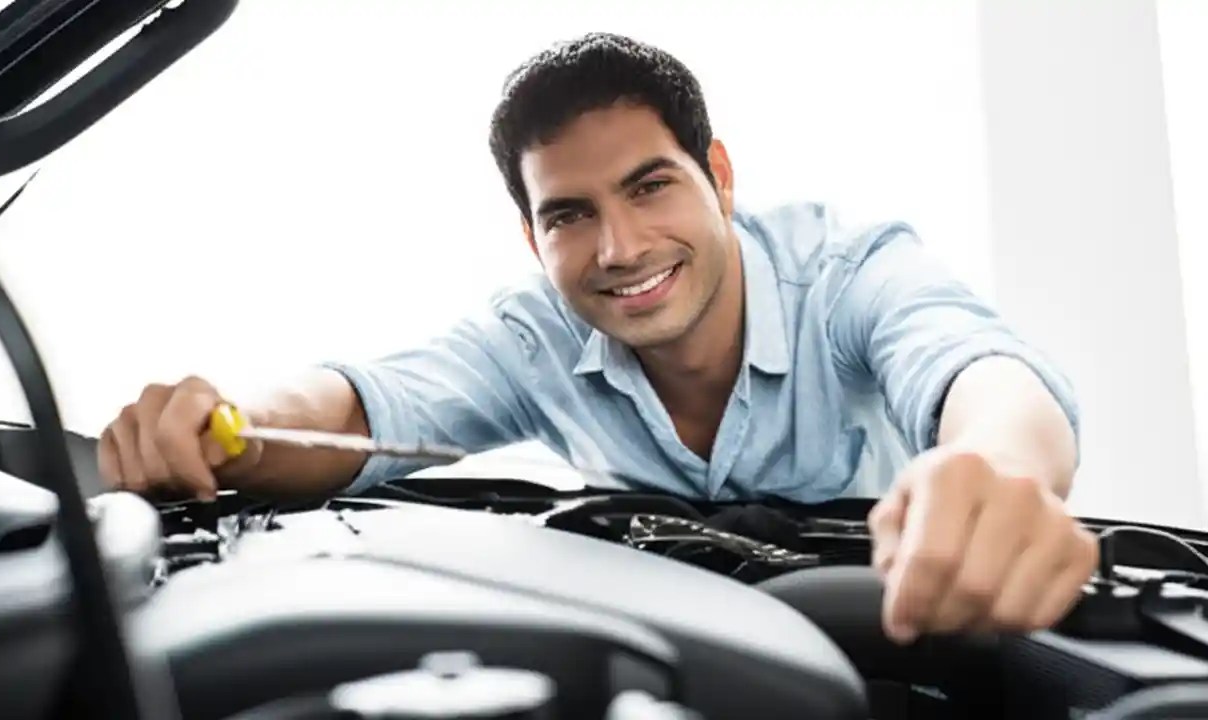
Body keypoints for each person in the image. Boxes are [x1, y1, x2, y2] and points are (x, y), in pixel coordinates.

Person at [98, 32, 1098, 644]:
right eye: (569, 215)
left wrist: (993, 469)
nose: (619, 249)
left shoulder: (843, 272)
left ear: (718, 175)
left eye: (649, 186)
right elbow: (362, 410)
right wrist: (226, 425)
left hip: (889, 646)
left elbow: (978, 369)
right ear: (531, 237)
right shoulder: (534, 335)